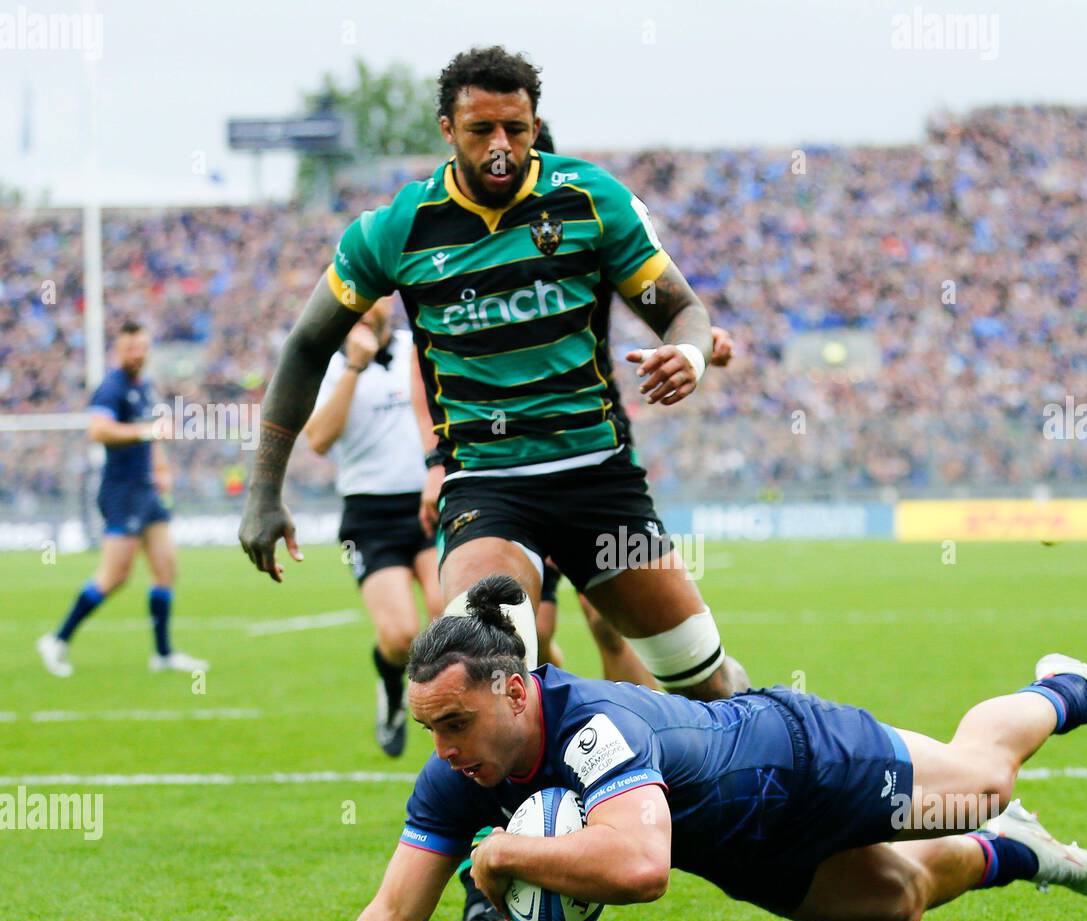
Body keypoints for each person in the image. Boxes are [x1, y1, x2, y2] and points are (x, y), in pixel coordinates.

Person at [252, 576, 1087, 921]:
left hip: (802, 758)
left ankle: (1066, 687)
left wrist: (500, 856)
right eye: (430, 730)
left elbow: (641, 865)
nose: (443, 748)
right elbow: (394, 909)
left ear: (512, 690)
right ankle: (1030, 855)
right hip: (744, 849)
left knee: (981, 781)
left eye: (453, 722)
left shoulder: (591, 725)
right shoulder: (460, 771)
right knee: (898, 903)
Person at [238, 44, 748, 704]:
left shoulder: (590, 200)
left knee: (704, 682)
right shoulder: (394, 230)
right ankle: (536, 804)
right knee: (485, 676)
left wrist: (691, 354)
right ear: (448, 131)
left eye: (516, 127)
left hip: (598, 478)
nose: (501, 146)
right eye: (481, 130)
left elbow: (680, 310)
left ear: (536, 125)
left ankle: (768, 758)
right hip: (487, 489)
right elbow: (307, 346)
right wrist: (263, 490)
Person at [303, 295, 441, 757]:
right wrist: (352, 369)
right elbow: (319, 440)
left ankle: (456, 726)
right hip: (369, 516)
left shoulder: (418, 348)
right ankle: (390, 691)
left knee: (451, 616)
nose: (365, 308)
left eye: (375, 297)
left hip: (429, 503)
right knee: (401, 636)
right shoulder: (328, 362)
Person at [37, 321, 208, 678]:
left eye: (143, 347)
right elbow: (98, 430)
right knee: (115, 575)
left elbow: (153, 435)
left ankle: (162, 654)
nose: (138, 354)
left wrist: (161, 468)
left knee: (165, 569)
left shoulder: (144, 386)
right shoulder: (111, 388)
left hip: (146, 489)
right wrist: (145, 431)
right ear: (119, 351)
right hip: (121, 491)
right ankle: (57, 639)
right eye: (131, 348)